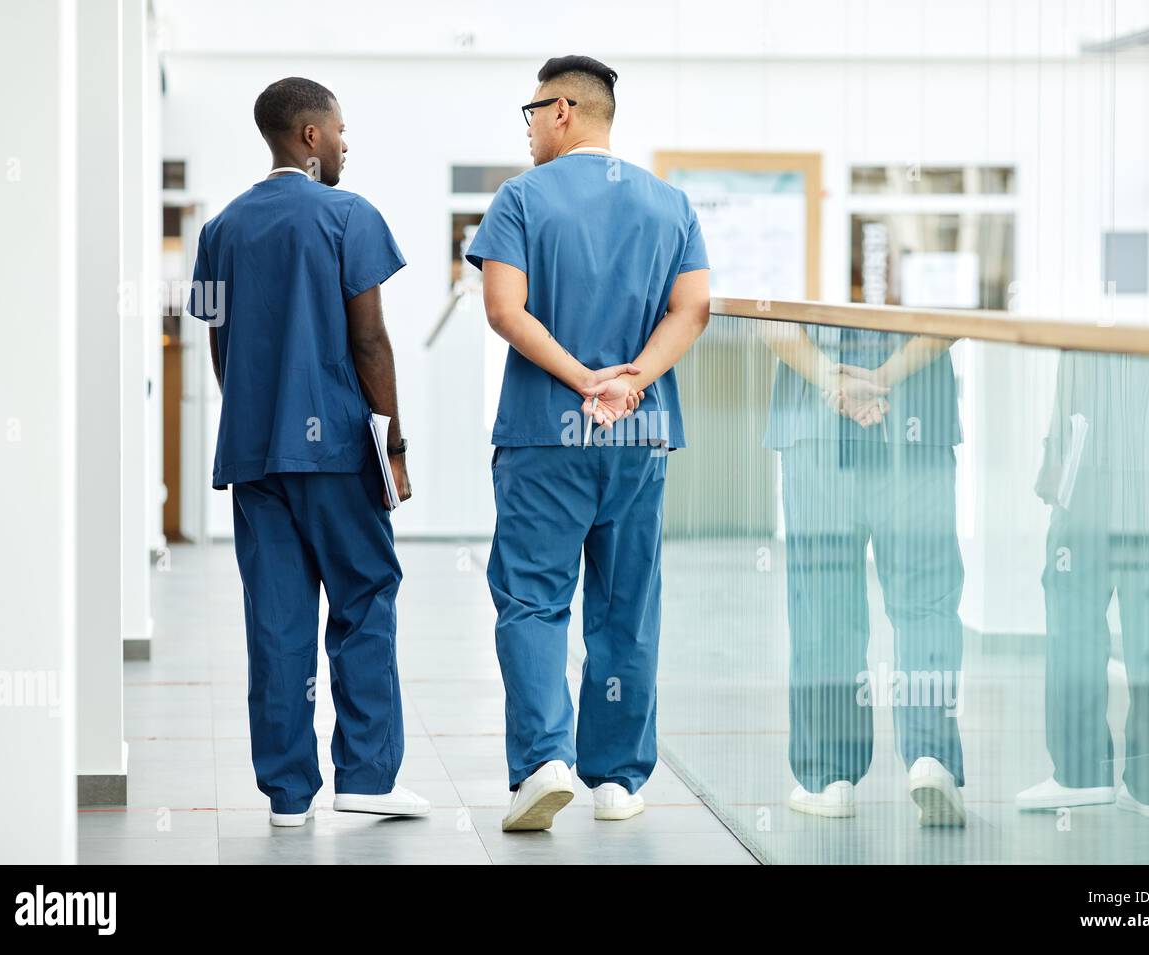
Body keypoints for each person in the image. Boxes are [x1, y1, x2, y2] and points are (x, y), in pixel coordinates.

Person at [465, 55, 711, 831]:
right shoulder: (670, 204)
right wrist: (628, 382)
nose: (530, 127)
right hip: (637, 434)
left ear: (564, 109)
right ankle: (617, 779)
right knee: (626, 605)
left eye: (532, 111)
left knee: (533, 598)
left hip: (545, 435)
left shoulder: (522, 199)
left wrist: (582, 380)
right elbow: (694, 309)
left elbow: (505, 311)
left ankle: (544, 760)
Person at [189, 76, 427, 827]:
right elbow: (368, 338)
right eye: (342, 130)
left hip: (256, 456)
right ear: (311, 136)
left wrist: (259, 419)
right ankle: (368, 777)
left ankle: (288, 795)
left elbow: (219, 345)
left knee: (277, 619)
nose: (348, 143)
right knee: (363, 600)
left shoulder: (221, 229)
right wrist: (392, 441)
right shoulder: (347, 215)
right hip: (336, 454)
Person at [764, 325, 968, 826]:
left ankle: (830, 778)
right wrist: (883, 377)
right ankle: (931, 758)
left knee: (824, 607)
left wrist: (831, 380)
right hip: (914, 422)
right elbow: (952, 312)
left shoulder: (805, 243)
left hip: (815, 428)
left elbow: (771, 313)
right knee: (926, 601)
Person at [1017, 353, 1149, 817]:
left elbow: (1076, 346)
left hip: (1101, 446)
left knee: (1075, 596)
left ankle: (1081, 772)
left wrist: (1056, 460)